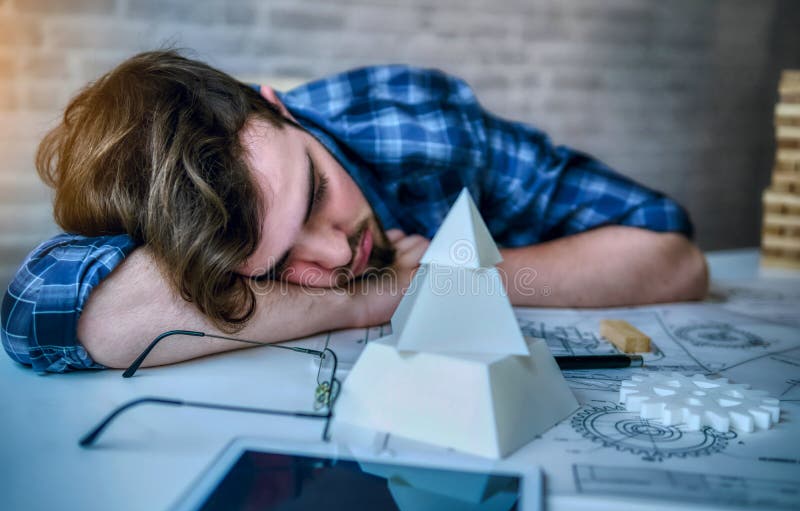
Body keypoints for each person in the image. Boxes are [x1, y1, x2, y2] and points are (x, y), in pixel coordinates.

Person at [1, 50, 707, 374]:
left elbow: (674, 258)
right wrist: (371, 296)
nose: (338, 255)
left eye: (316, 192)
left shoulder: (417, 124)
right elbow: (38, 311)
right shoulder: (161, 212)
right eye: (278, 265)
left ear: (277, 107)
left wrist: (452, 276)